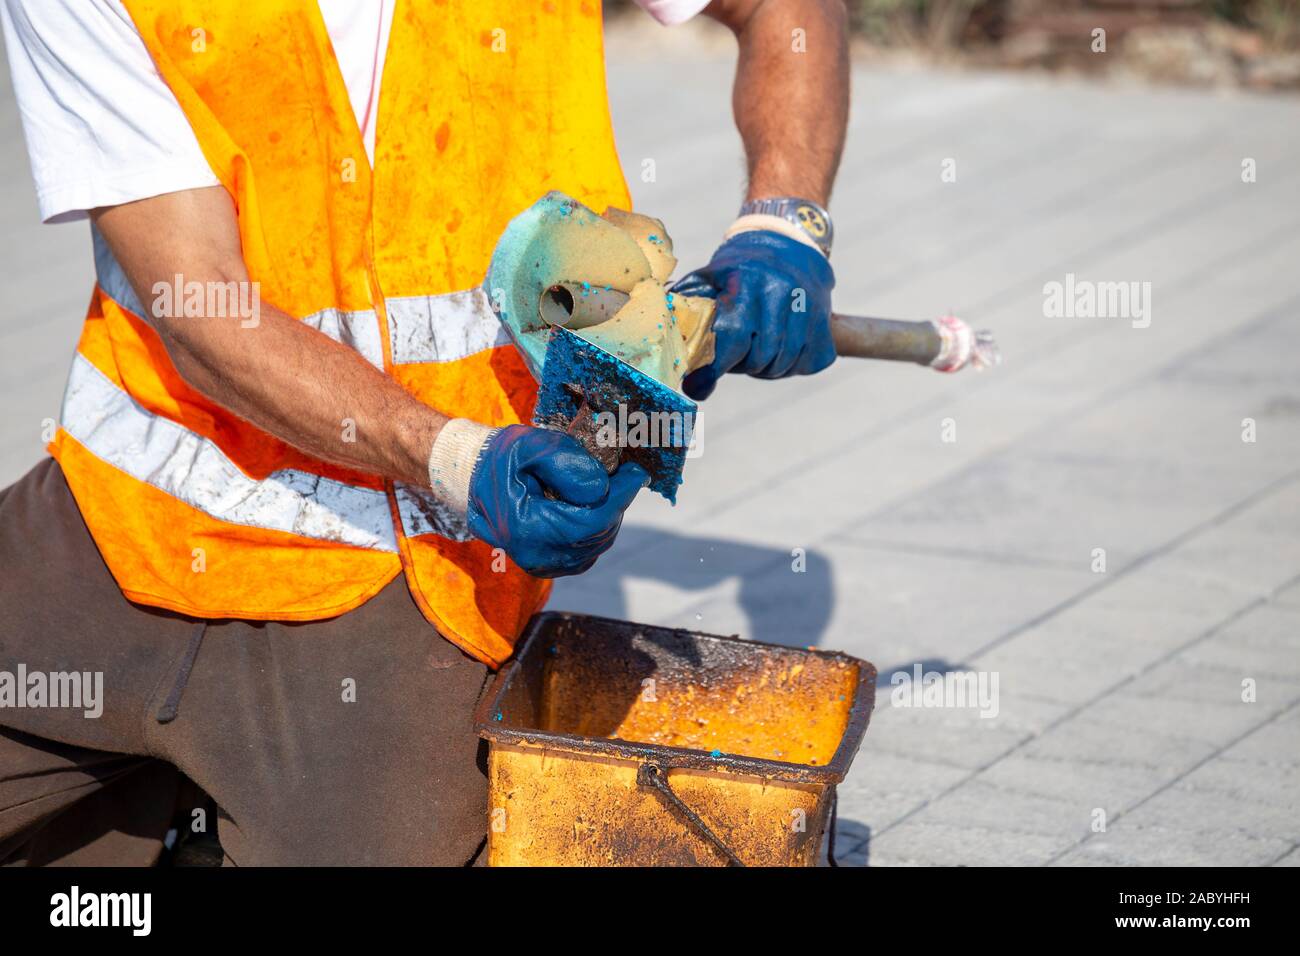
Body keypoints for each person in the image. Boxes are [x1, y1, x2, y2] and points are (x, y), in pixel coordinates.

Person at [0, 0, 848, 865]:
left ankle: (180, 812)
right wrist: (461, 460)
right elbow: (204, 310)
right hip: (125, 525)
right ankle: (160, 803)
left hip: (404, 564)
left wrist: (785, 224)